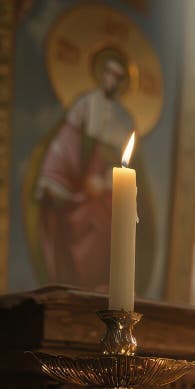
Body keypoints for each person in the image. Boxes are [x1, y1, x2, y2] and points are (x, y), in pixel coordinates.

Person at [36, 52, 134, 290]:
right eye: (109, 73)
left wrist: (105, 185)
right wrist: (53, 180)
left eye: (118, 77)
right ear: (101, 73)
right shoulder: (86, 105)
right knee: (81, 219)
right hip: (79, 191)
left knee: (106, 224)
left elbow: (131, 176)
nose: (112, 80)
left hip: (107, 195)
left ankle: (102, 288)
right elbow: (65, 145)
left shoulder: (124, 119)